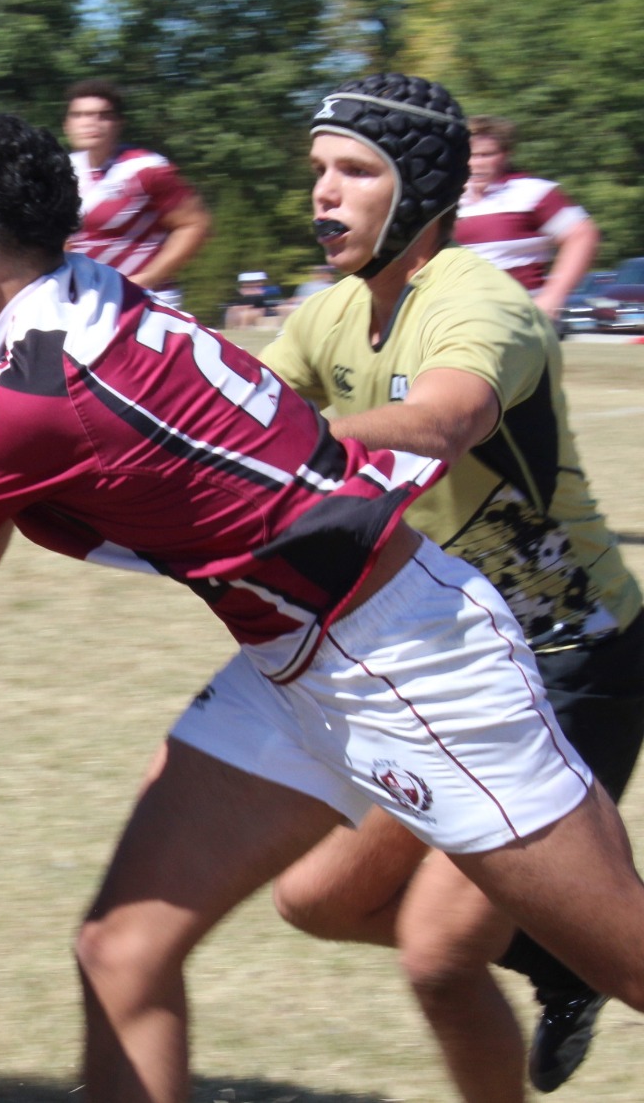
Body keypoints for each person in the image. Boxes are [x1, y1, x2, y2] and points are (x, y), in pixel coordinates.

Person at [0, 97, 644, 1103]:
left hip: (412, 664)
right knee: (122, 947)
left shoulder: (25, 396)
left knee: (622, 963)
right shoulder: (60, 307)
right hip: (292, 662)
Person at [261, 75, 644, 1099]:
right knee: (313, 902)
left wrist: (289, 441)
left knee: (437, 955)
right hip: (445, 663)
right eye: (316, 172)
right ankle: (564, 955)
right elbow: (230, 404)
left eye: (352, 172)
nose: (321, 195)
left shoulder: (480, 303)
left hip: (569, 659)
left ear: (418, 183)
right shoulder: (327, 313)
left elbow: (442, 421)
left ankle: (578, 951)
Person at [63, 79, 211, 312]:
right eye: (80, 115)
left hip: (145, 299)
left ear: (120, 123)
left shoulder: (147, 168)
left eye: (103, 115)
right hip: (84, 298)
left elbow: (195, 224)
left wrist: (149, 278)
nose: (90, 123)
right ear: (67, 125)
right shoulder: (62, 170)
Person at [457, 115, 602, 322]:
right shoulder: (448, 197)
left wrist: (553, 295)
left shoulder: (534, 192)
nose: (476, 163)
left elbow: (582, 235)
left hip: (516, 316)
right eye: (470, 155)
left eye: (486, 155)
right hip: (458, 314)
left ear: (506, 154)